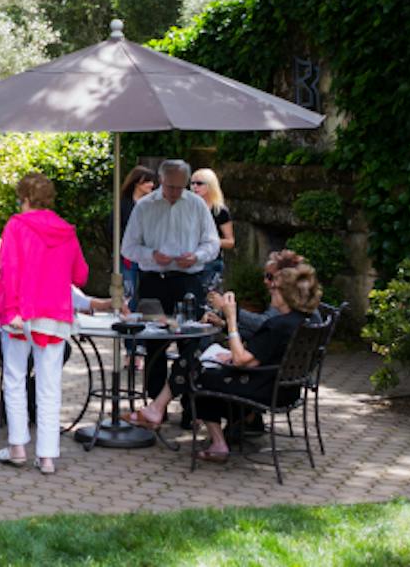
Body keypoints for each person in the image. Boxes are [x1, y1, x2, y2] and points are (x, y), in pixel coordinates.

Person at [131, 262, 323, 462]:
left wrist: (231, 318)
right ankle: (158, 410)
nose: (270, 289)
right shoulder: (305, 320)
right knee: (196, 361)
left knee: (194, 373)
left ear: (288, 294)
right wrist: (226, 332)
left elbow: (242, 361)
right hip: (285, 389)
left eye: (274, 286)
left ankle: (214, 442)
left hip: (262, 388)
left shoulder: (278, 325)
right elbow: (260, 355)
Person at [0, 171, 88, 475]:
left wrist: (8, 312)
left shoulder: (16, 226)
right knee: (50, 386)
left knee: (15, 378)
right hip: (56, 315)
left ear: (24, 198)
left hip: (21, 313)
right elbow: (81, 276)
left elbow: (8, 271)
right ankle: (47, 456)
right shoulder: (67, 231)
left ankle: (18, 446)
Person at [123, 159, 220, 402]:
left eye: (180, 187)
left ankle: (192, 407)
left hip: (188, 281)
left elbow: (213, 244)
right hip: (153, 281)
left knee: (193, 343)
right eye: (170, 187)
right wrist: (151, 255)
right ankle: (156, 404)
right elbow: (128, 247)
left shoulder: (197, 205)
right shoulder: (144, 206)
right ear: (161, 181)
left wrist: (197, 256)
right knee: (154, 345)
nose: (175, 192)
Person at [111, 166, 159, 304]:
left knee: (148, 291)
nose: (151, 185)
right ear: (137, 182)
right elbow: (113, 228)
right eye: (147, 181)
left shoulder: (154, 205)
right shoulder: (122, 204)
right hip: (128, 256)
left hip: (148, 255)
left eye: (152, 182)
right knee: (128, 291)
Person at [190, 168, 235, 285]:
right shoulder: (188, 209)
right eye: (192, 183)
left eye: (199, 183)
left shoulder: (219, 211)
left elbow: (230, 242)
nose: (195, 186)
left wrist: (210, 241)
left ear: (210, 185)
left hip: (211, 261)